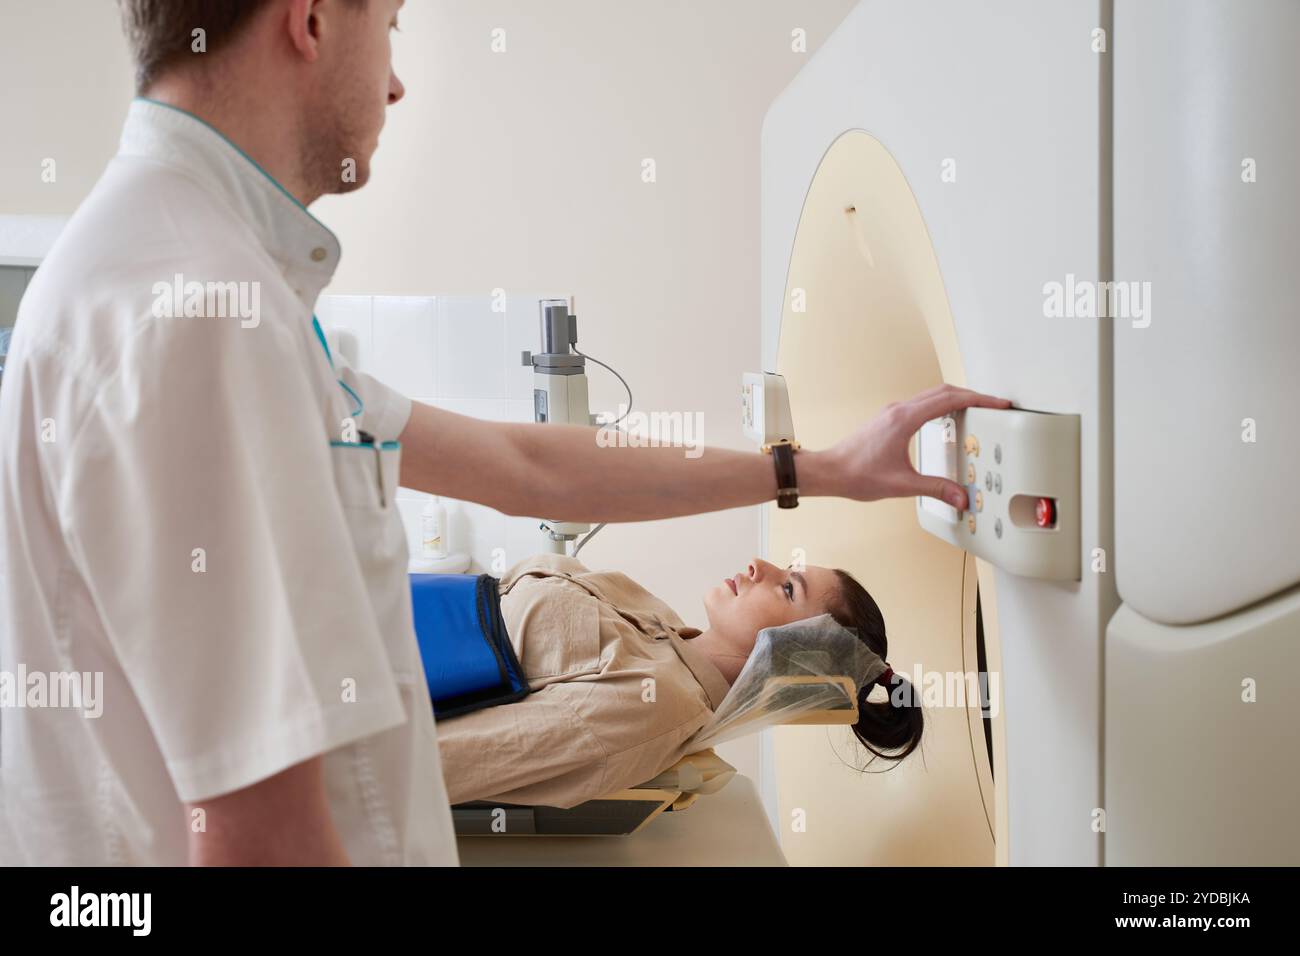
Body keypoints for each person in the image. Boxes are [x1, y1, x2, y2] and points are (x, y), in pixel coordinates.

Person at [0, 0, 1010, 866]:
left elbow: (529, 464)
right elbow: (257, 832)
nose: (393, 85)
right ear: (308, 19)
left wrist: (818, 468)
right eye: (388, 26)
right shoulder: (199, 305)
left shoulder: (201, 277)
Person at [437, 554, 920, 809]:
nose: (758, 565)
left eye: (787, 588)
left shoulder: (654, 705)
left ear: (801, 657)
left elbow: (450, 760)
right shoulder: (660, 621)